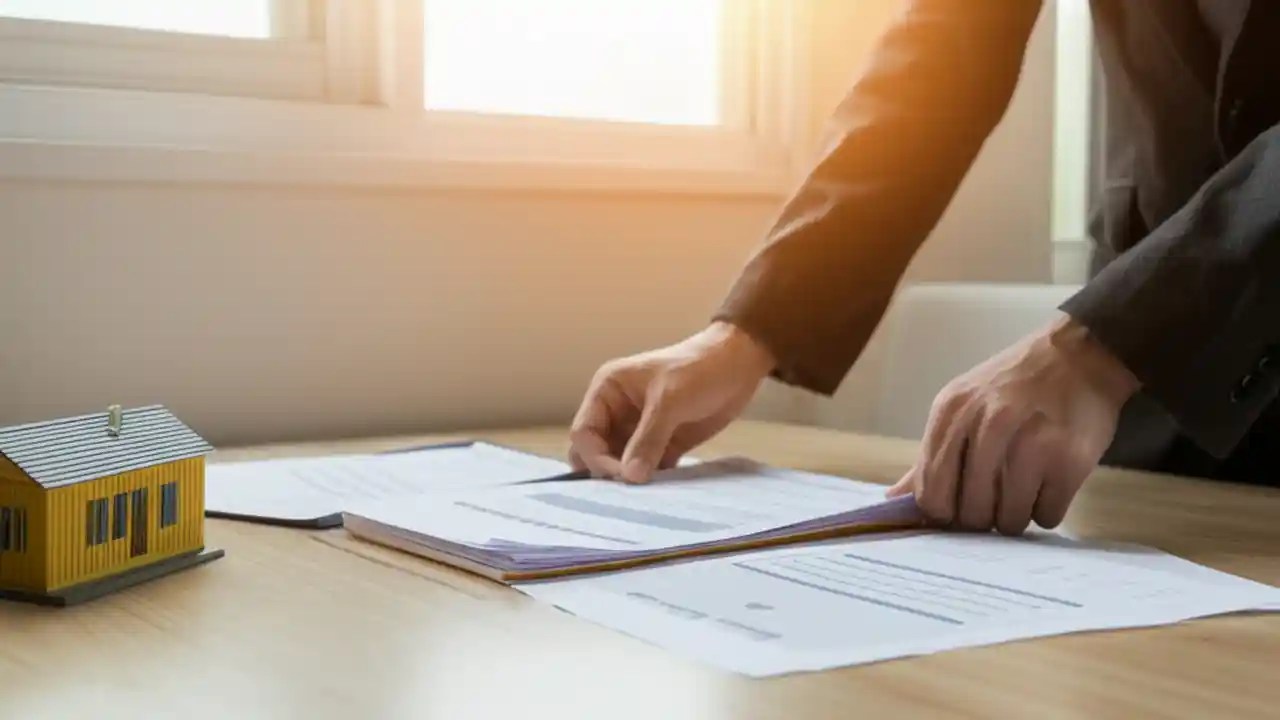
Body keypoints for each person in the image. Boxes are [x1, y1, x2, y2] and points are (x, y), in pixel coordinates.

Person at [568, 0, 1280, 535]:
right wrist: (746, 333)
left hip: (1144, 342)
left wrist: (1108, 341)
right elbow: (939, 55)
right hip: (1151, 418)